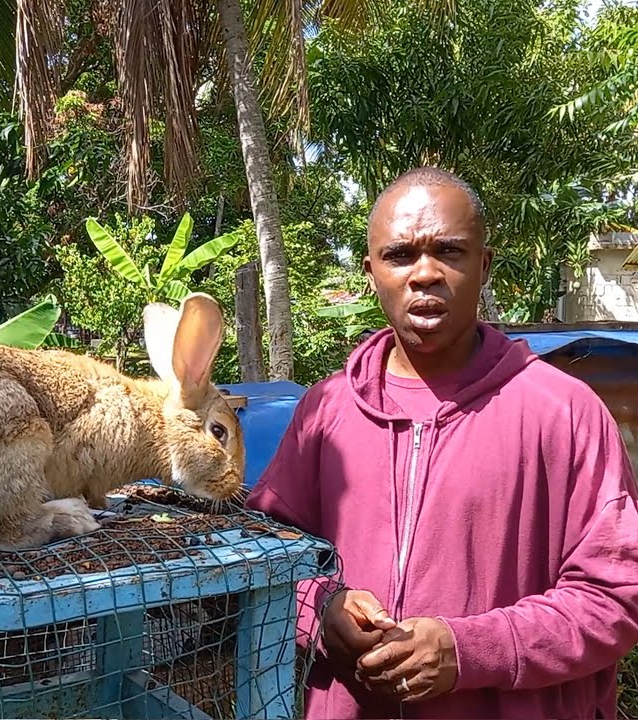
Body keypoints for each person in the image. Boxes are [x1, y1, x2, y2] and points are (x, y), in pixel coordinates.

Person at [245, 166, 638, 718]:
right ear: (370, 272)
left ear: (484, 265)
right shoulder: (327, 410)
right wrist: (323, 609)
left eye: (448, 252)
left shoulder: (565, 413)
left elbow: (614, 597)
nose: (424, 273)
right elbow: (267, 554)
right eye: (400, 255)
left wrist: (465, 651)